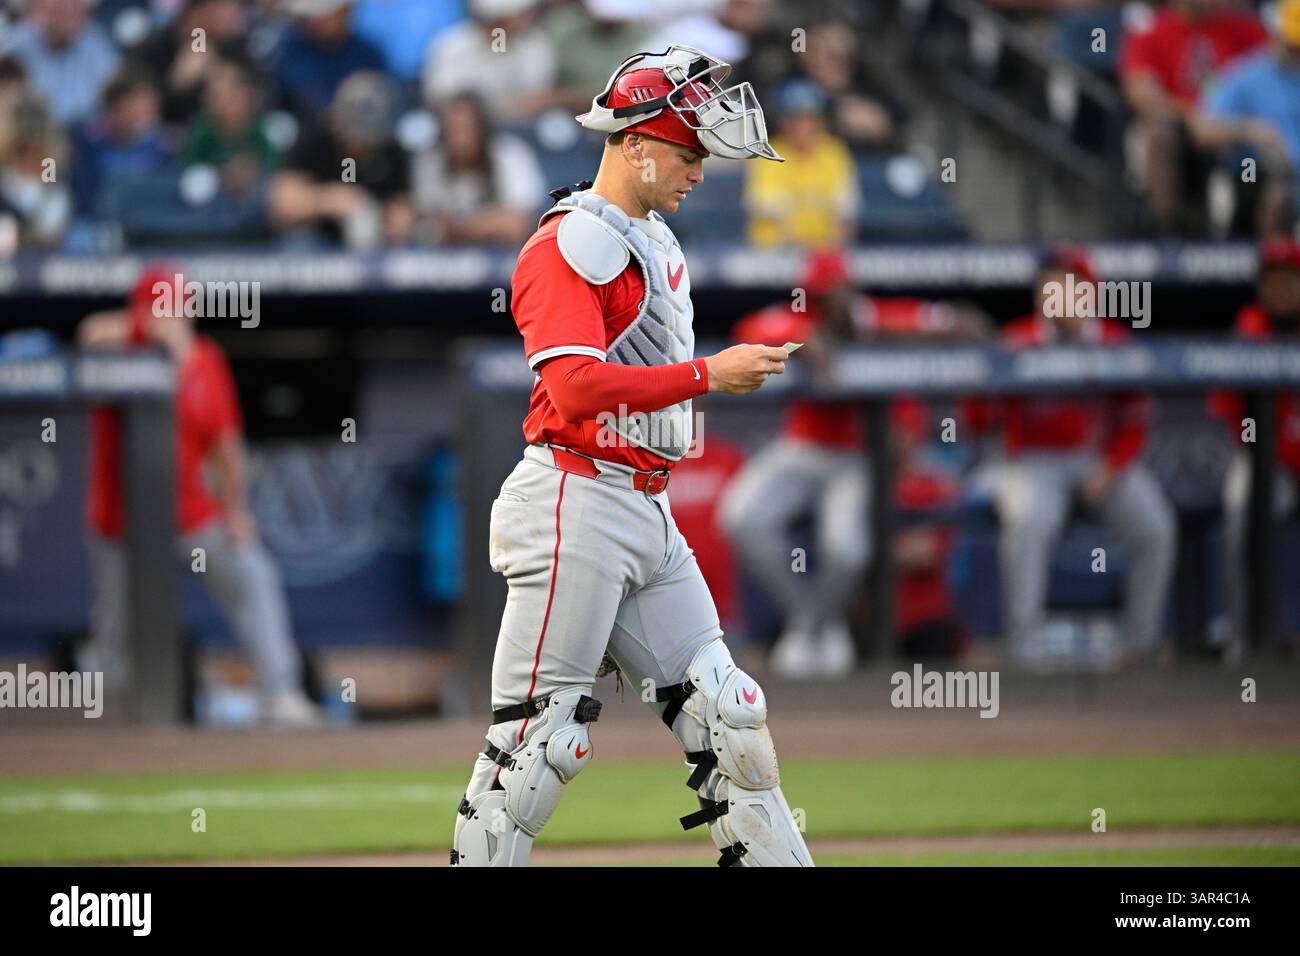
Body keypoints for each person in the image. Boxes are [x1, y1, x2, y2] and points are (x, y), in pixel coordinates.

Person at [451, 45, 812, 868]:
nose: (698, 172)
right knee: (534, 754)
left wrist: (703, 377)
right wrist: (709, 376)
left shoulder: (652, 238)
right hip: (573, 499)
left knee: (734, 722)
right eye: (687, 154)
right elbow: (575, 390)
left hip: (643, 504)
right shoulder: (567, 242)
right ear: (636, 143)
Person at [77, 267, 324, 728]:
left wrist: (236, 512)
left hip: (193, 517)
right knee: (115, 631)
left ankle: (280, 694)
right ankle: (113, 724)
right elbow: (89, 333)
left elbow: (226, 445)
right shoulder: (121, 351)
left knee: (253, 573)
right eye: (165, 306)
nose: (178, 315)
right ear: (143, 310)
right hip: (122, 525)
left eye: (182, 305)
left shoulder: (206, 359)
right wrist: (145, 334)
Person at [720, 249, 983, 678]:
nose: (827, 305)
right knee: (740, 516)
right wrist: (804, 334)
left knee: (846, 549)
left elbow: (940, 320)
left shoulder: (871, 319)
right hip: (801, 449)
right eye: (818, 298)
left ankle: (810, 626)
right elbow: (748, 328)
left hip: (854, 460)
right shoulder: (794, 320)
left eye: (833, 296)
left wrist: (953, 321)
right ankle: (812, 621)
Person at [964, 248, 1178, 668]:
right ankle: (1024, 650)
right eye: (1048, 286)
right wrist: (984, 382)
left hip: (1098, 458)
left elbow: (1134, 424)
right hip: (1031, 461)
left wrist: (1111, 466)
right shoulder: (1017, 342)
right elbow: (977, 419)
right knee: (1028, 521)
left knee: (1155, 525)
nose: (1056, 296)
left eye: (1066, 285)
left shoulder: (1115, 344)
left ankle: (1140, 645)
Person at [1208, 238, 1300, 662]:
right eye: (1273, 281)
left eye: (1291, 281)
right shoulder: (1249, 328)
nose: (1281, 290)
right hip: (1268, 462)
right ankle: (1242, 635)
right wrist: (1262, 452)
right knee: (1242, 509)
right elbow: (1228, 411)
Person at [1119, 0, 1268, 234]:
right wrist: (1194, 119)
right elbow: (1142, 93)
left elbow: (1273, 81)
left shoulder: (1244, 27)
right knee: (1160, 136)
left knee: (1259, 144)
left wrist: (1229, 125)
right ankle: (1168, 231)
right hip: (1179, 126)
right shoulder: (1150, 30)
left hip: (1234, 127)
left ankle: (1251, 234)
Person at [266, 70, 412, 248]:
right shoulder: (316, 139)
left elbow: (402, 204)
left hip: (375, 246)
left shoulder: (389, 150)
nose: (361, 144)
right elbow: (281, 205)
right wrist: (327, 200)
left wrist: (396, 218)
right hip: (318, 243)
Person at [1192, 0, 1300, 235]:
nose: (1296, 51)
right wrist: (1251, 130)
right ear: (1276, 33)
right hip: (1260, 178)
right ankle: (1276, 265)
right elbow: (1203, 130)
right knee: (1277, 193)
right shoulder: (1245, 76)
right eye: (1292, 44)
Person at [410, 91, 544, 247]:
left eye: (466, 130)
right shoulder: (431, 161)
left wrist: (458, 228)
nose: (459, 140)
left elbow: (518, 224)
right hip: (445, 258)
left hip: (504, 255)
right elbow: (427, 222)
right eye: (452, 130)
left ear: (483, 130)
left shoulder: (510, 154)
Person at [744, 79, 859, 248]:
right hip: (774, 256)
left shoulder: (834, 153)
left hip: (824, 253)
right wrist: (807, 252)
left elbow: (845, 214)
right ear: (784, 122)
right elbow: (772, 214)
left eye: (811, 119)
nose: (805, 126)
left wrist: (827, 250)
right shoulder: (769, 153)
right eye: (797, 119)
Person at [0, 0, 121, 127]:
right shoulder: (14, 46)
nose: (63, 19)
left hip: (87, 133)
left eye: (71, 11)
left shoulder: (96, 43)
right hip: (33, 131)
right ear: (37, 12)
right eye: (56, 11)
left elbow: (114, 93)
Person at [274, 0, 386, 119]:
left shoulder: (368, 53)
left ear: (346, 11)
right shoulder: (291, 50)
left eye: (322, 15)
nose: (314, 21)